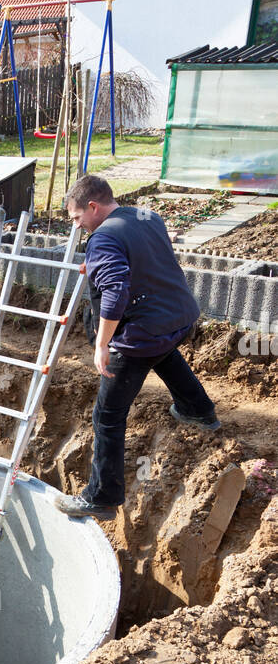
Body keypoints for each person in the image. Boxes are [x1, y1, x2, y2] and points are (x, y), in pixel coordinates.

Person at [54, 173, 220, 521]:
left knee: (108, 416)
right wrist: (100, 265)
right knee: (163, 352)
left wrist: (102, 346)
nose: (77, 225)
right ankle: (198, 410)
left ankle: (101, 497)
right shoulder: (146, 216)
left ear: (94, 207)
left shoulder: (102, 238)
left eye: (76, 217)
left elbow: (115, 292)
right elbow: (144, 259)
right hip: (180, 318)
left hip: (142, 334)